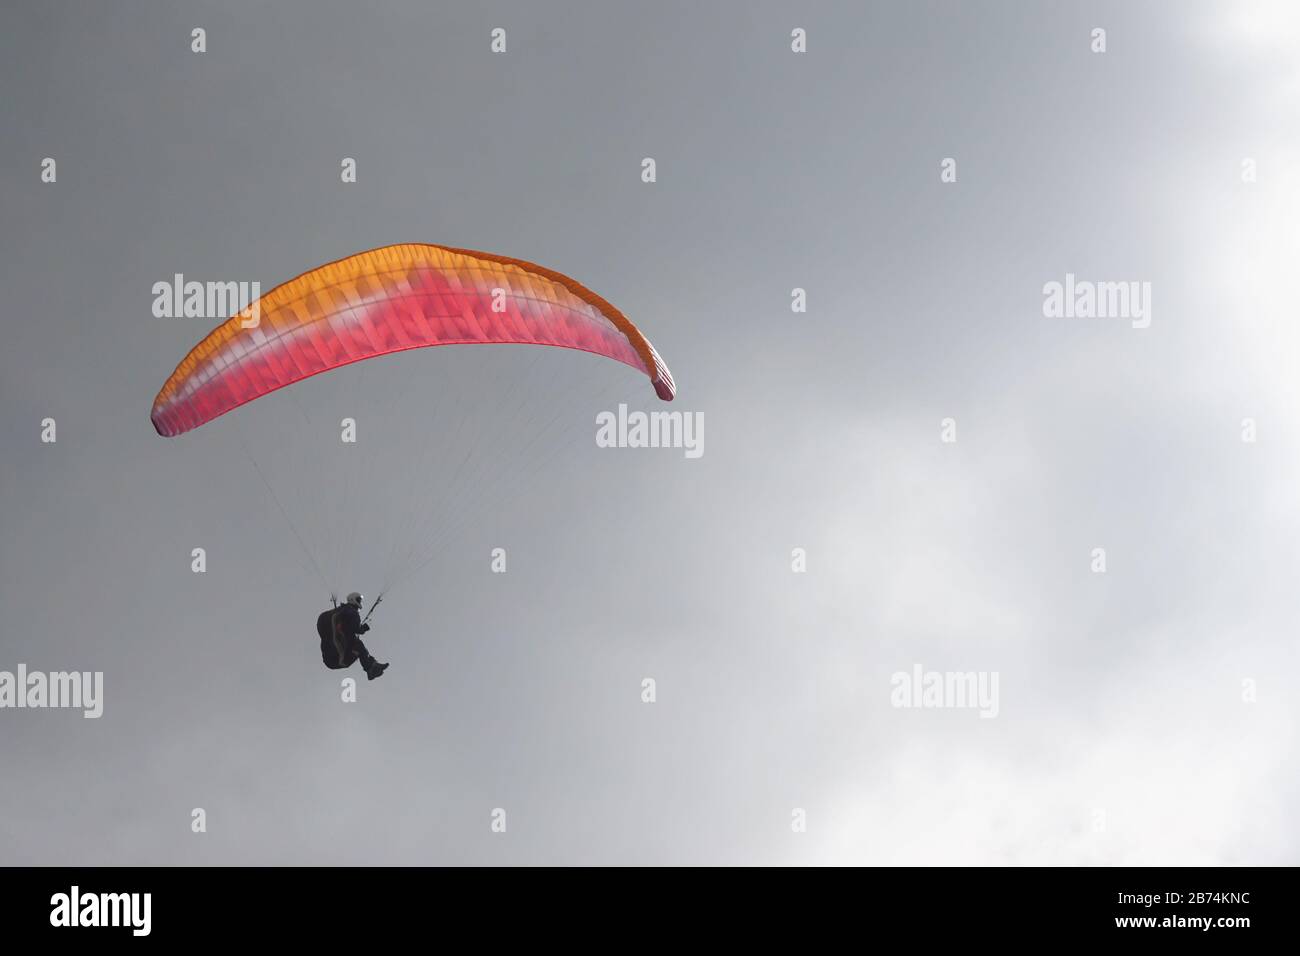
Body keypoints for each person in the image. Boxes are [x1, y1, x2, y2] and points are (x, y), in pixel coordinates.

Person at [316, 592, 389, 680]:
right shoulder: (352, 612)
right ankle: (371, 669)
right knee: (358, 645)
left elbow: (348, 628)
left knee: (354, 641)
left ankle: (372, 666)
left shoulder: (341, 611)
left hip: (328, 660)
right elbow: (355, 628)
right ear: (353, 600)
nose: (360, 603)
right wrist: (363, 629)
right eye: (359, 600)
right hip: (339, 659)